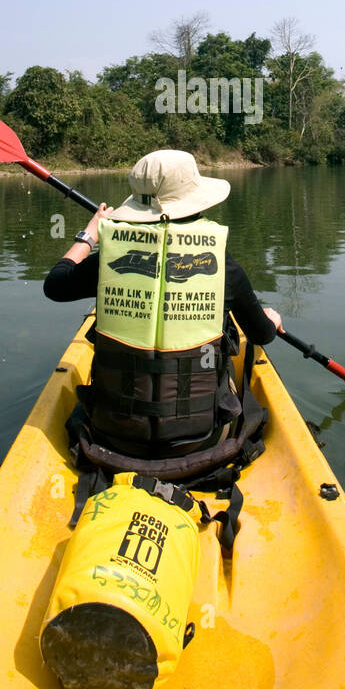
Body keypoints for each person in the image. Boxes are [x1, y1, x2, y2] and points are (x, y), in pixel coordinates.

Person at [43, 149, 283, 489]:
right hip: (202, 444)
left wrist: (90, 234)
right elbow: (261, 334)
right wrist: (271, 319)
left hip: (111, 440)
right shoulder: (223, 267)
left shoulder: (109, 261)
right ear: (195, 202)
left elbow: (54, 285)